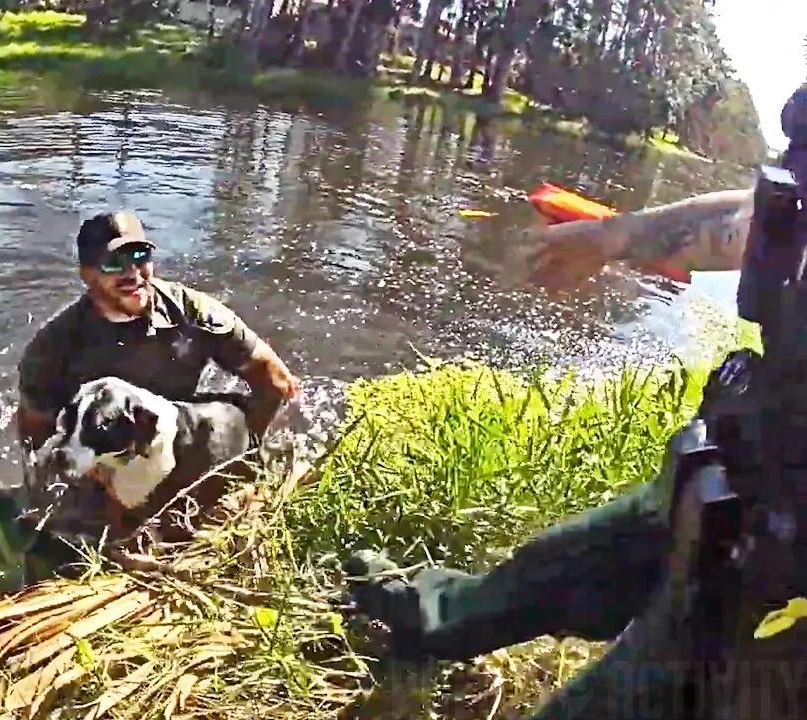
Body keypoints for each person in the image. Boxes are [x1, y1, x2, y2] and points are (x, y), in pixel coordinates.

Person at [346, 85, 807, 720]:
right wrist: (615, 236)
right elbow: (766, 221)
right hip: (739, 470)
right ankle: (430, 615)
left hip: (779, 590)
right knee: (553, 568)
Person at [15, 208, 300, 466]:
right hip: (100, 449)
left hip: (179, 431)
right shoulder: (52, 347)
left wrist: (246, 452)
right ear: (87, 274)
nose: (133, 273)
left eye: (139, 257)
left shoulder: (194, 312)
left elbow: (277, 381)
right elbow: (36, 439)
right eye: (114, 263)